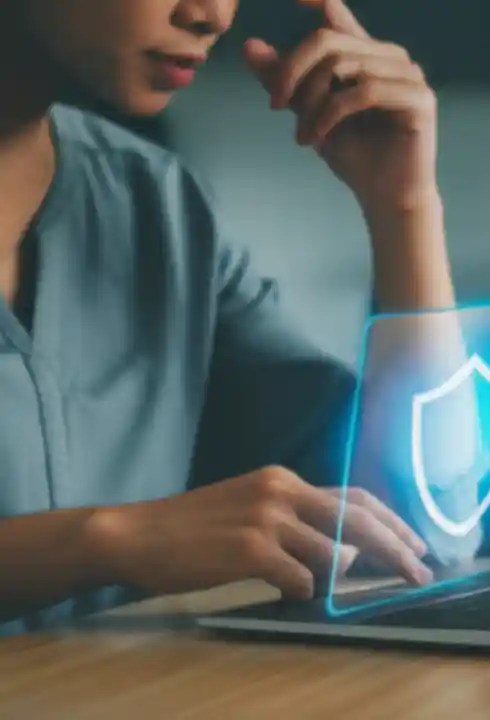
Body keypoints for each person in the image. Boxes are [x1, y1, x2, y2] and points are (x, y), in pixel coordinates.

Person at [0, 0, 466, 634]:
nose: (213, 15)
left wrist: (405, 206)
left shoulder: (163, 210)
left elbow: (424, 526)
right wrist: (110, 539)